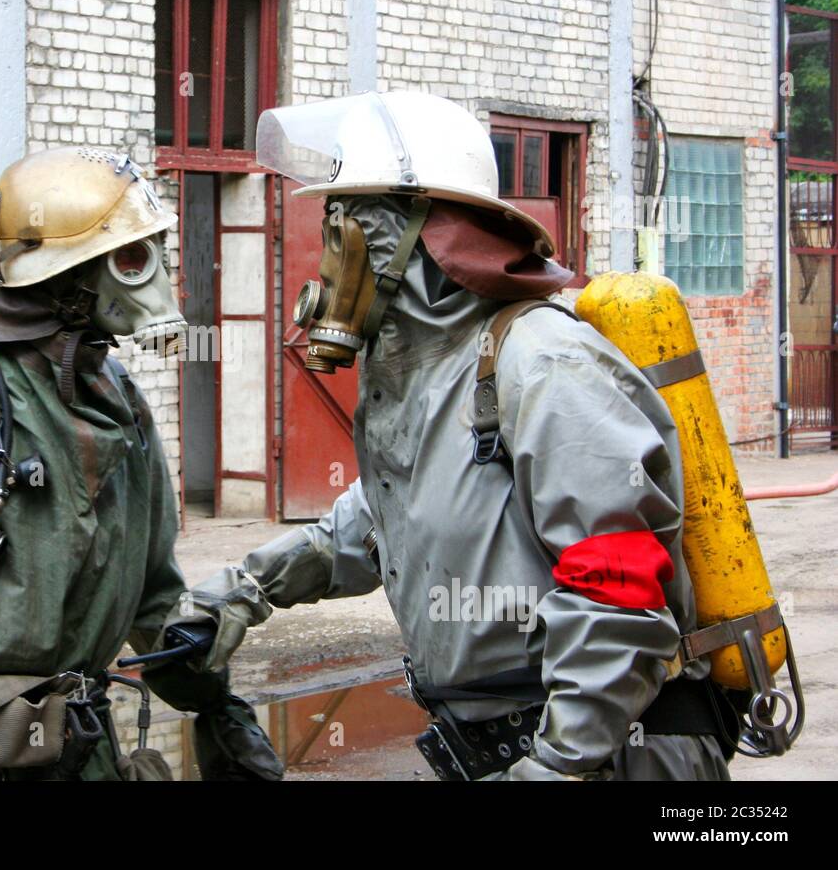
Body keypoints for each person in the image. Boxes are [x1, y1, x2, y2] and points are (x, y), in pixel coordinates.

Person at [165, 92, 735, 781]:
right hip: (501, 746)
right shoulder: (428, 375)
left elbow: (616, 587)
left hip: (615, 753)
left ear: (410, 235)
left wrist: (556, 765)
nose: (329, 262)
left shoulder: (543, 362)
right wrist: (236, 592)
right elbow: (368, 528)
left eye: (345, 229)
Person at [0, 146, 281, 781]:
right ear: (69, 274)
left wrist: (215, 703)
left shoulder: (118, 398)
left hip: (81, 747)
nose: (155, 276)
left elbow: (152, 593)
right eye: (130, 257)